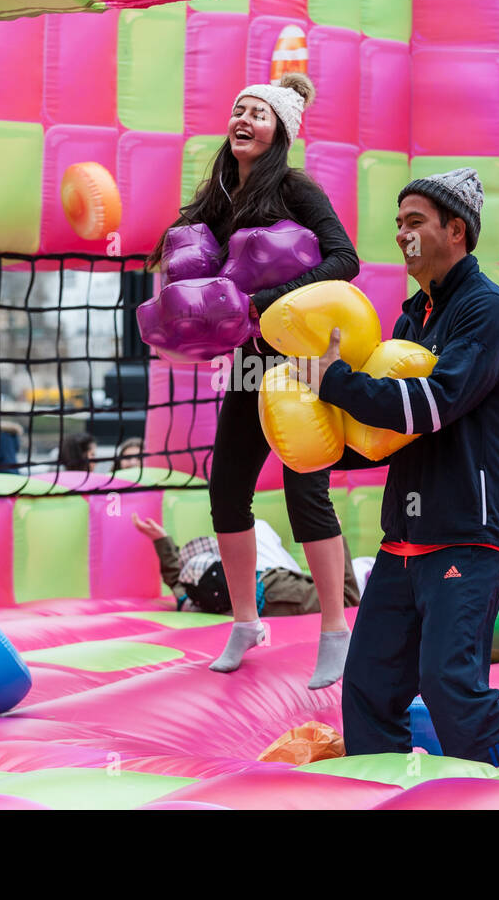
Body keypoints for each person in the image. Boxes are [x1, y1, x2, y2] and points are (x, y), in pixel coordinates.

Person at [295, 168, 499, 766]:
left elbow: (432, 404)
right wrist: (317, 445)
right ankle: (384, 795)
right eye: (398, 224)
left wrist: (337, 382)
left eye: (415, 222)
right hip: (406, 538)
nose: (402, 235)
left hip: (468, 533)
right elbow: (388, 435)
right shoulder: (410, 320)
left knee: (451, 684)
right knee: (369, 688)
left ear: (457, 230)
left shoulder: (488, 311)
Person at [146, 71, 360, 689]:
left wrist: (266, 301)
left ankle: (335, 631)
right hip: (247, 361)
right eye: (238, 109)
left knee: (305, 493)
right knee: (227, 488)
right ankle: (245, 622)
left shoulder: (295, 187)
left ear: (281, 130)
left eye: (258, 113)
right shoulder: (216, 194)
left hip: (295, 361)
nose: (244, 119)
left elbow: (343, 258)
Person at [130, 513, 360, 616]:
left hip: (266, 586)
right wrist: (336, 538)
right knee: (257, 527)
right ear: (230, 569)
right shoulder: (281, 593)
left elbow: (177, 580)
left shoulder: (199, 601)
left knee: (256, 528)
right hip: (347, 580)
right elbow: (348, 600)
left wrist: (161, 541)